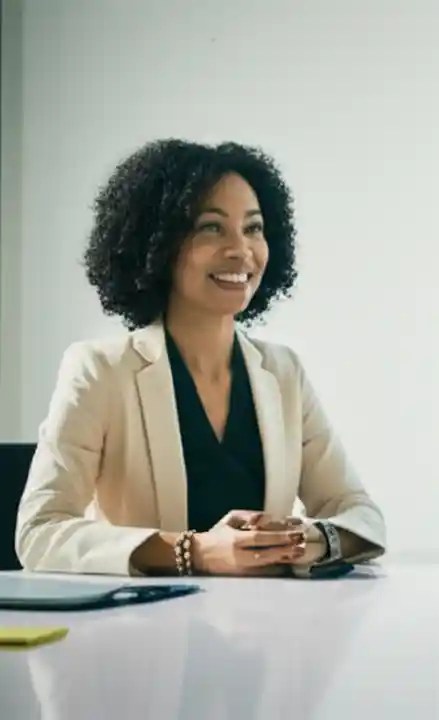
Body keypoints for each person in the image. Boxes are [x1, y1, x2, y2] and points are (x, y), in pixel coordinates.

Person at [15, 140, 386, 577]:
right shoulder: (100, 370)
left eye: (252, 228)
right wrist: (196, 551)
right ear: (157, 244)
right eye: (211, 228)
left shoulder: (284, 372)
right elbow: (39, 531)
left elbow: (361, 515)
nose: (240, 250)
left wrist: (315, 540)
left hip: (275, 630)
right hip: (144, 634)